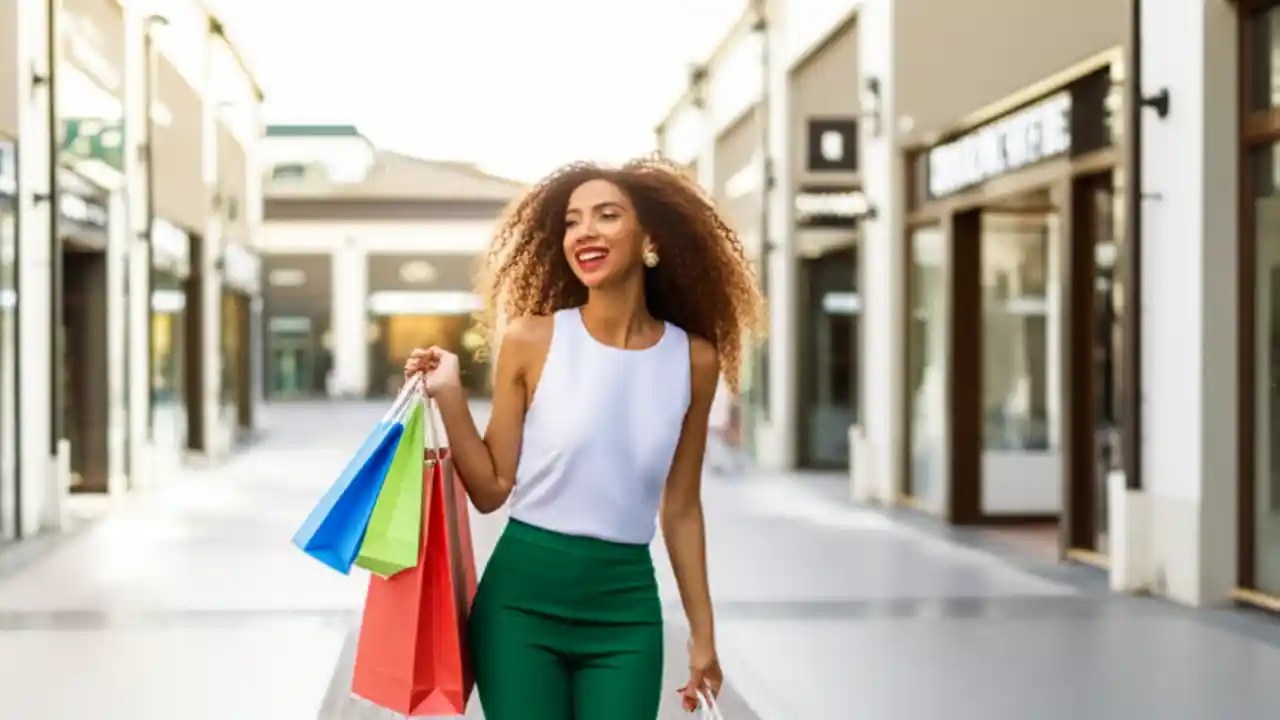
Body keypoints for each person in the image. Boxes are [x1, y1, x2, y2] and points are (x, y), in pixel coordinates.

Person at [403, 157, 764, 720]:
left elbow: (682, 508)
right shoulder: (533, 339)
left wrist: (703, 636)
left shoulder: (694, 360)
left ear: (651, 238)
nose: (584, 232)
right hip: (519, 607)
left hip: (626, 612)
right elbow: (491, 488)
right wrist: (449, 392)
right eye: (572, 221)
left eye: (607, 215)